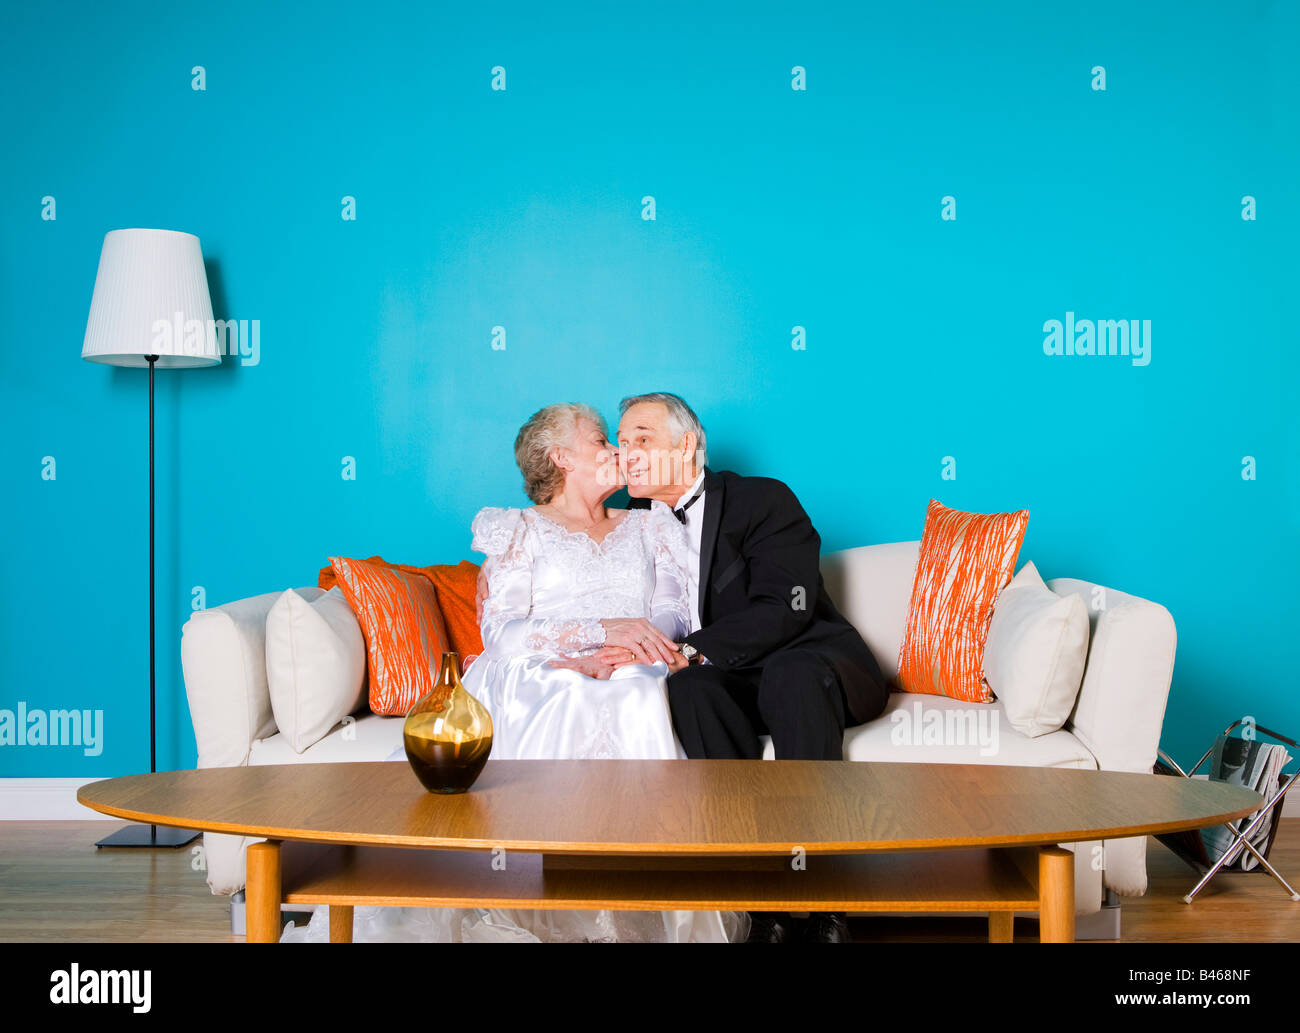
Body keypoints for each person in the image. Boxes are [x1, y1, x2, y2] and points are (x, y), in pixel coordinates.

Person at [281, 402, 748, 943]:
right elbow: (502, 633)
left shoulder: (652, 525)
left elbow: (675, 612)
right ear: (561, 457)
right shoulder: (518, 530)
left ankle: (639, 897)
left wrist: (630, 644)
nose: (617, 451)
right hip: (539, 666)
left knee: (639, 693)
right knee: (566, 690)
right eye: (601, 440)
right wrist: (599, 632)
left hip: (635, 662)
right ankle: (542, 897)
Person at [612, 392, 891, 943]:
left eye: (641, 439)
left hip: (809, 657)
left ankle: (826, 895)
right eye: (620, 444)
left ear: (686, 444)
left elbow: (784, 606)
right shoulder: (628, 523)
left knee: (790, 676)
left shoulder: (761, 500)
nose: (627, 455)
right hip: (725, 677)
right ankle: (763, 903)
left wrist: (690, 648)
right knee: (689, 691)